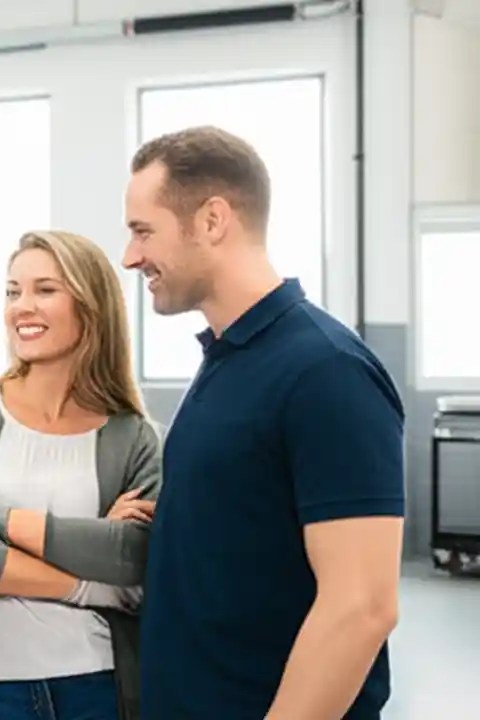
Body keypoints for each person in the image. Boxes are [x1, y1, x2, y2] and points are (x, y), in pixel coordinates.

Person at [123, 125, 404, 719]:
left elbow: (362, 607)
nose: (131, 257)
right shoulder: (229, 357)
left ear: (213, 220)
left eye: (143, 231)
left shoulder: (325, 370)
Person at [0, 230, 165, 720]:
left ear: (90, 306)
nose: (21, 307)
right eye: (12, 291)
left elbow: (133, 558)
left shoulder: (133, 436)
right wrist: (89, 582)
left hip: (100, 685)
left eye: (45, 290)